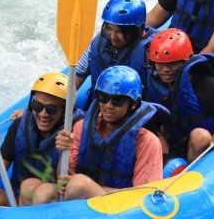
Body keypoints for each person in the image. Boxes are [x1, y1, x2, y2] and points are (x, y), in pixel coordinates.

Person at [55, 66, 168, 200]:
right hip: (80, 201)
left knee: (78, 185)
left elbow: (145, 196)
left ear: (133, 104)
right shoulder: (81, 127)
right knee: (38, 190)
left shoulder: (146, 141)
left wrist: (88, 189)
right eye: (103, 98)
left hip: (121, 208)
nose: (108, 105)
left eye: (117, 100)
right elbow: (64, 179)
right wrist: (63, 152)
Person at [0, 72, 82, 206]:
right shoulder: (20, 125)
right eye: (38, 106)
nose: (43, 114)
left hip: (53, 201)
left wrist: (64, 152)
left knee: (36, 189)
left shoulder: (76, 131)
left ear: (65, 110)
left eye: (51, 109)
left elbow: (67, 183)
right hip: (18, 199)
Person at [143, 27, 214, 163]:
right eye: (160, 64)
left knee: (200, 135)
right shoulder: (154, 81)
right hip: (174, 140)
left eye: (172, 64)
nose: (165, 70)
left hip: (202, 144)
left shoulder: (206, 82)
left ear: (186, 61)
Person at [75, 0, 154, 99]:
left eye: (120, 32)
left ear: (137, 30)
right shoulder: (97, 44)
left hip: (136, 111)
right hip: (101, 106)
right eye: (109, 29)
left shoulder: (152, 50)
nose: (113, 37)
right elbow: (76, 79)